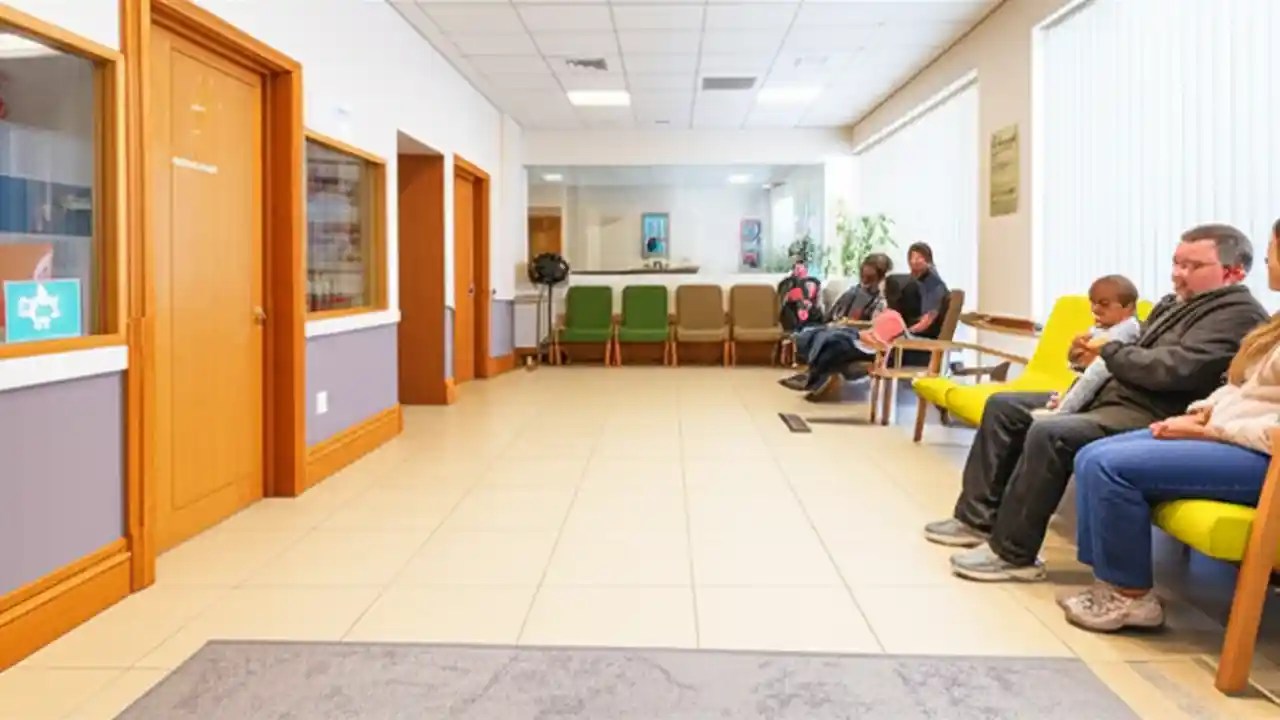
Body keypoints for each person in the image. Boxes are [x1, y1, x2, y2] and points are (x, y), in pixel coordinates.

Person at [924, 223, 1270, 582]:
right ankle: (976, 520)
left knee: (1051, 432)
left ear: (1234, 272)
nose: (1177, 275)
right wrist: (1086, 365)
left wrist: (1110, 351)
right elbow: (1133, 351)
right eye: (1176, 263)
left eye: (1192, 267)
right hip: (1115, 398)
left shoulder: (1239, 315)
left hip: (1151, 412)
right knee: (1005, 407)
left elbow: (1173, 370)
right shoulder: (1176, 304)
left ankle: (1012, 553)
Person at [1061, 218, 1280, 631]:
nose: (1267, 260)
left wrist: (1211, 430)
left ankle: (1132, 599)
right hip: (1235, 439)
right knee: (1092, 455)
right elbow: (1240, 388)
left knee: (1112, 467)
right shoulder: (1275, 323)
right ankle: (1110, 584)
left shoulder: (1238, 313)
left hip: (1264, 457)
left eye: (1272, 252)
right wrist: (1201, 412)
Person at [789, 243, 947, 398]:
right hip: (875, 342)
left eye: (919, 258)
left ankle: (815, 378)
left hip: (886, 349)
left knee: (836, 341)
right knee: (830, 336)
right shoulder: (890, 305)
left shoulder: (932, 288)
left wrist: (864, 336)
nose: (914, 262)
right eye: (912, 257)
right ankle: (813, 375)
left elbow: (885, 340)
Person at [1032, 275, 1142, 418]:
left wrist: (1065, 407)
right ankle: (1062, 404)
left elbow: (1097, 372)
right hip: (1086, 393)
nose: (1095, 309)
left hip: (1108, 398)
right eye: (1093, 303)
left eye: (1104, 304)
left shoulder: (1129, 327)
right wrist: (1075, 353)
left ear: (1128, 307)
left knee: (1094, 373)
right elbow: (1079, 366)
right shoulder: (1101, 328)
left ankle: (1062, 410)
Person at [779, 254, 891, 389]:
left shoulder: (882, 299)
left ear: (880, 277)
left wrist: (847, 325)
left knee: (832, 341)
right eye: (863, 276)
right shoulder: (853, 292)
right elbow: (832, 314)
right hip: (843, 329)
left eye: (869, 278)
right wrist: (835, 323)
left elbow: (875, 325)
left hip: (862, 338)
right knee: (816, 333)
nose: (864, 281)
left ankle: (813, 376)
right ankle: (812, 374)